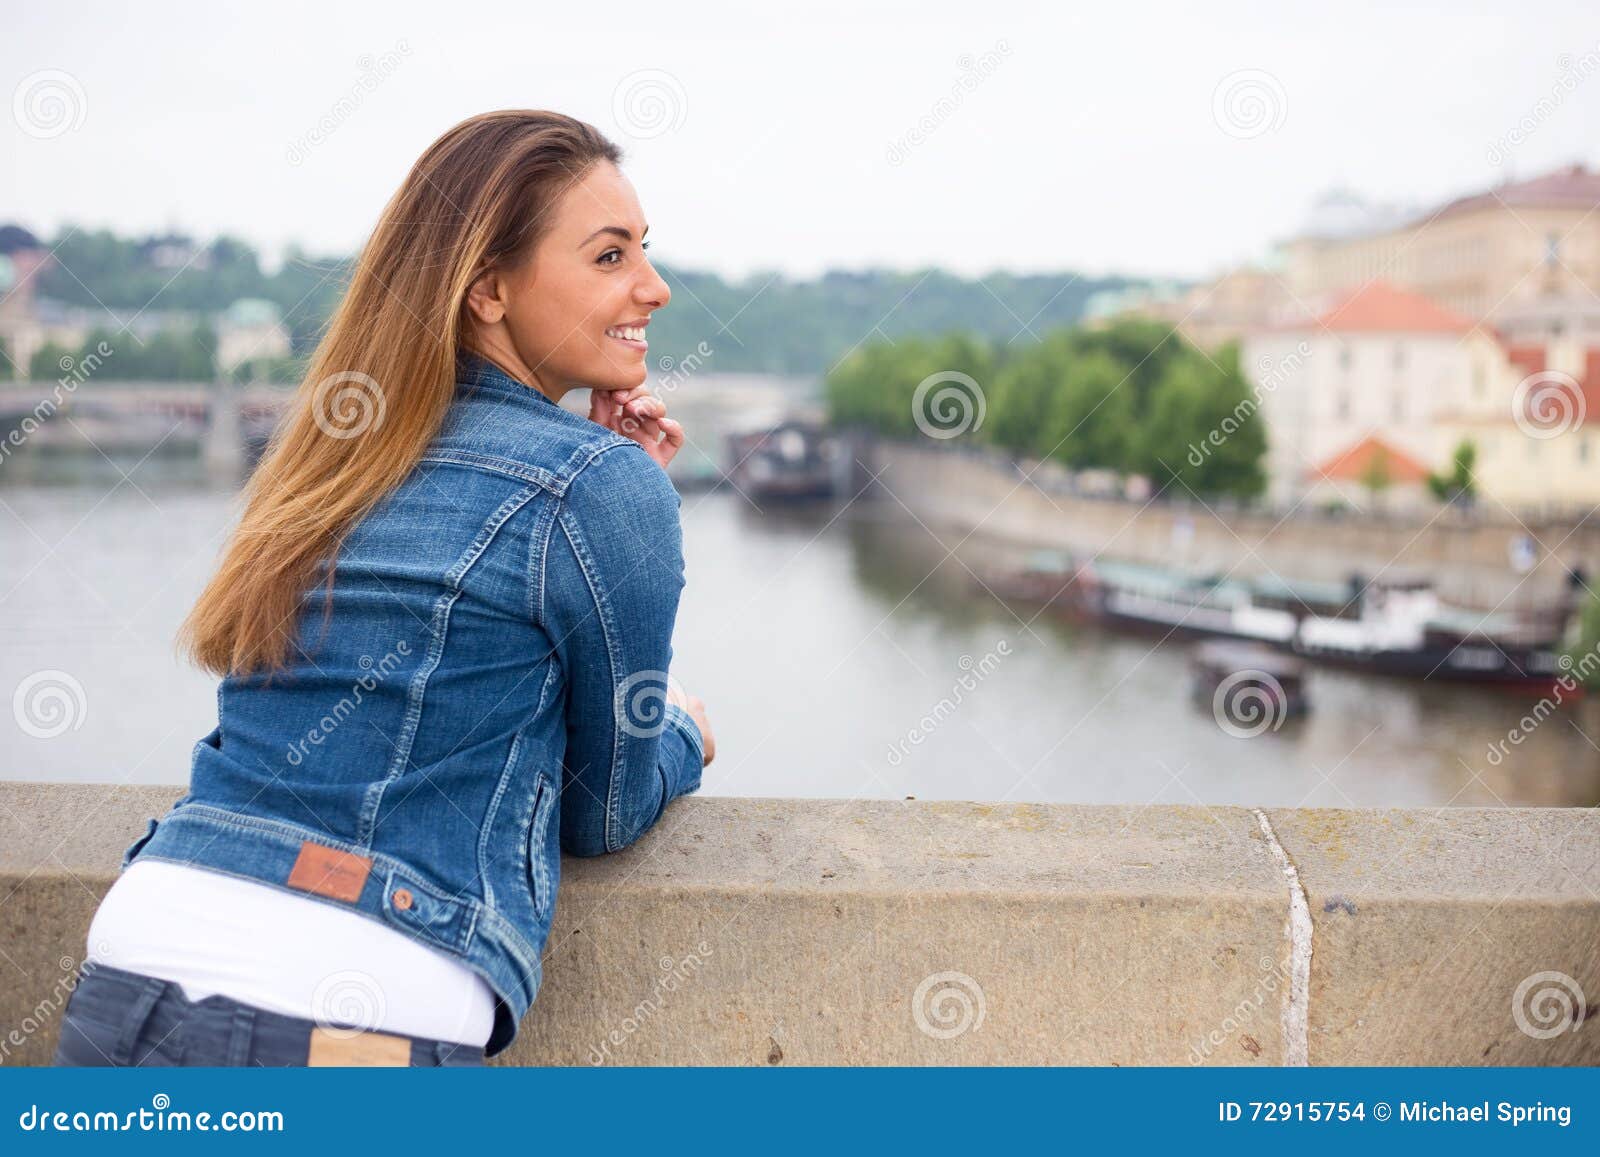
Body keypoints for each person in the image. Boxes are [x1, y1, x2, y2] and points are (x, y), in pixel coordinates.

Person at [51, 109, 715, 1067]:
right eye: (610, 257)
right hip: (345, 1012)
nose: (653, 288)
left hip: (136, 958)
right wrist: (685, 732)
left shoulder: (335, 452)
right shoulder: (600, 489)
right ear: (487, 286)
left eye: (644, 252)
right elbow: (602, 810)